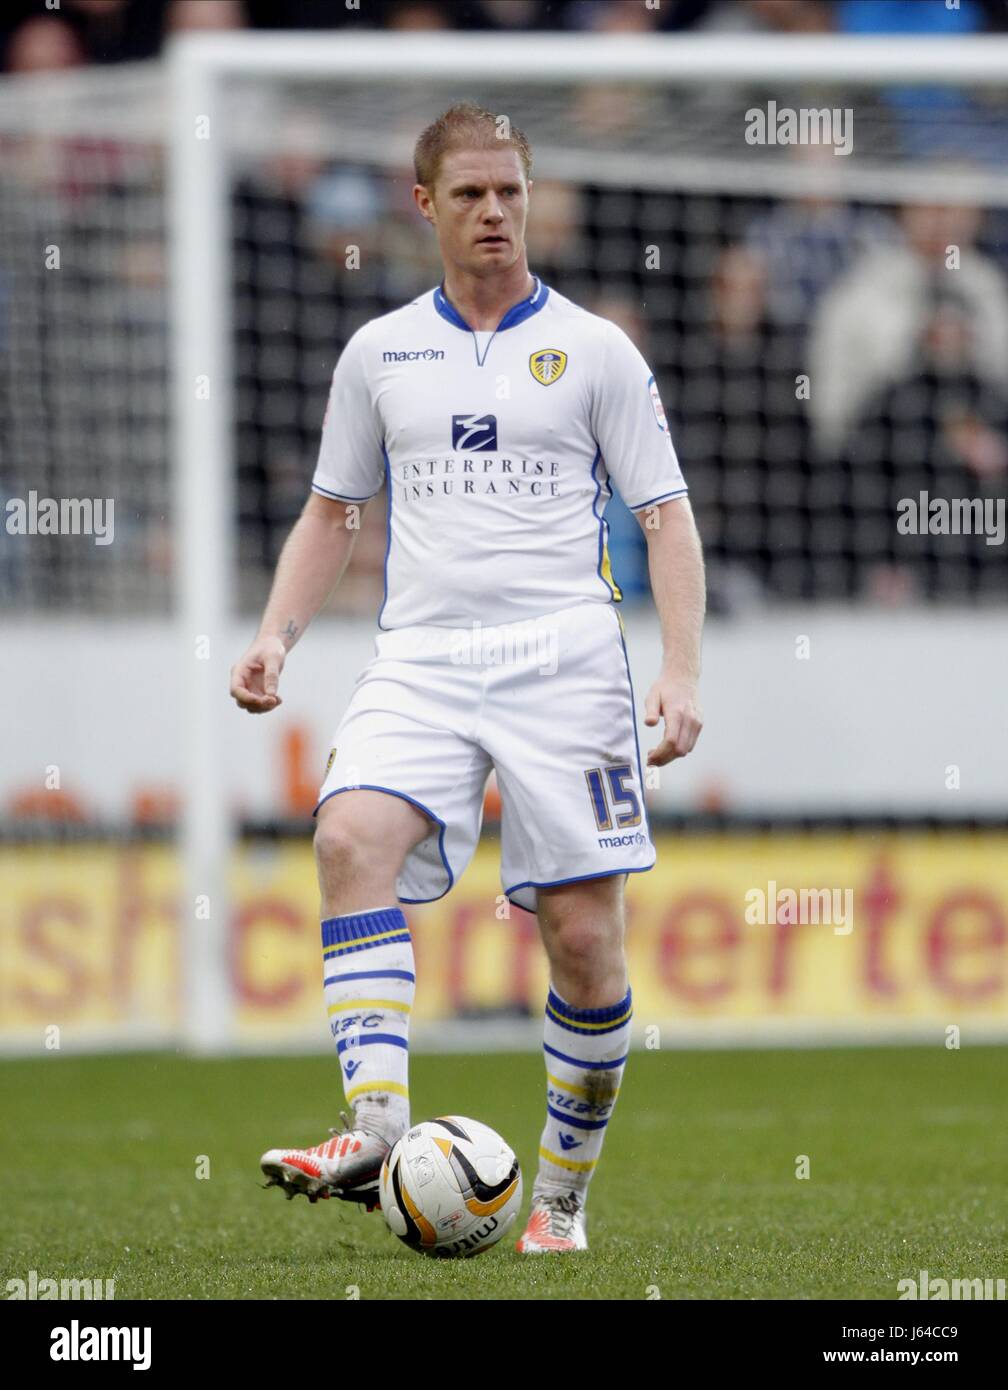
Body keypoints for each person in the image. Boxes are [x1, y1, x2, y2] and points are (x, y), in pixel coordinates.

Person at [229, 102, 705, 1254]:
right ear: (425, 205)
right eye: (470, 194)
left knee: (586, 940)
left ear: (530, 199)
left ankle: (560, 1201)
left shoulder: (596, 348)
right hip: (424, 658)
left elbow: (668, 515)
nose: (494, 212)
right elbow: (333, 513)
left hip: (568, 661)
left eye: (511, 192)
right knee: (346, 838)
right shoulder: (379, 351)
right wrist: (276, 634)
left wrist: (681, 670)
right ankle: (378, 1126)